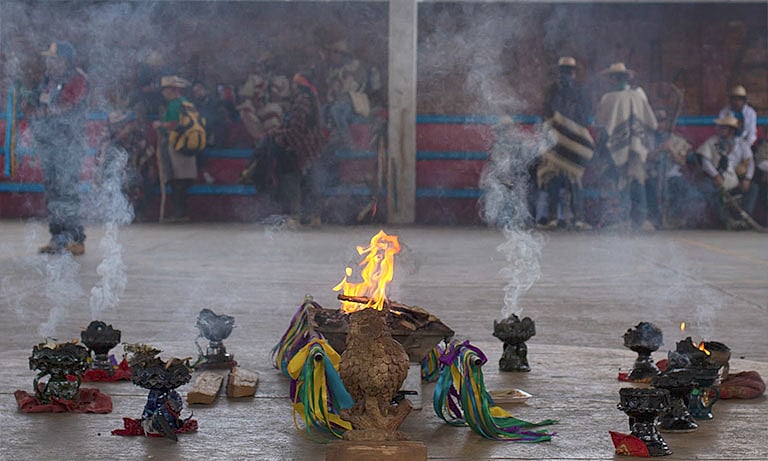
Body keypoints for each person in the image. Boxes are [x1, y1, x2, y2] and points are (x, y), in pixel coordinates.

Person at [33, 41, 89, 255]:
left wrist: (45, 112)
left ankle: (75, 238)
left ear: (65, 61)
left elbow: (67, 107)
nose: (49, 62)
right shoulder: (49, 81)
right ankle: (57, 236)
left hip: (69, 144)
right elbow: (40, 104)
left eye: (53, 59)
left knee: (66, 191)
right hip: (50, 143)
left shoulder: (78, 80)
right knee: (53, 191)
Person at [594, 62, 658, 231]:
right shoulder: (639, 95)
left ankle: (623, 217)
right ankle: (638, 219)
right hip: (637, 146)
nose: (609, 81)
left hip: (616, 147)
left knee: (618, 180)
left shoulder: (609, 98)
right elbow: (650, 122)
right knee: (637, 180)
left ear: (615, 78)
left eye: (610, 77)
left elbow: (601, 124)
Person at [535, 56, 594, 230]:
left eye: (568, 72)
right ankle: (576, 219)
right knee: (571, 179)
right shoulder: (578, 90)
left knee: (559, 178)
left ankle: (559, 218)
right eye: (566, 72)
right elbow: (585, 116)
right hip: (570, 142)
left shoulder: (552, 90)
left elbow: (546, 114)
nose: (567, 75)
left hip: (559, 140)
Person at [272, 72, 328, 225]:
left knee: (292, 179)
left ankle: (295, 216)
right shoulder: (313, 100)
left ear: (298, 86)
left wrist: (279, 133)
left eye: (293, 85)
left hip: (301, 147)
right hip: (312, 147)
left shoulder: (301, 102)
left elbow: (296, 129)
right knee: (311, 182)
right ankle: (313, 216)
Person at [696, 114, 757, 229]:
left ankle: (743, 220)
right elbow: (705, 162)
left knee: (753, 188)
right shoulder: (711, 142)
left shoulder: (742, 144)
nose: (720, 130)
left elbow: (750, 163)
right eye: (720, 127)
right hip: (718, 179)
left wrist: (747, 179)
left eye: (723, 128)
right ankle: (726, 221)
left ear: (731, 130)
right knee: (708, 190)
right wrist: (715, 175)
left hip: (737, 180)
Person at [153, 75, 197, 223]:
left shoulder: (173, 104)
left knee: (176, 181)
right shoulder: (186, 103)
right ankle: (182, 213)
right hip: (188, 144)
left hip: (175, 145)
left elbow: (173, 124)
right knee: (182, 182)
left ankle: (180, 214)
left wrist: (160, 125)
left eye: (165, 90)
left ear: (172, 90)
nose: (163, 93)